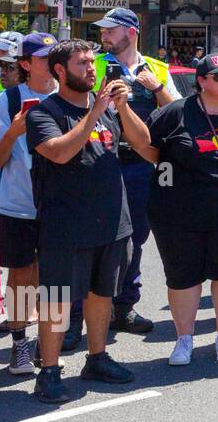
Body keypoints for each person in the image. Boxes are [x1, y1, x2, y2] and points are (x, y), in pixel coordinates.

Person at [132, 54, 218, 366]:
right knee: (183, 277)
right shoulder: (176, 111)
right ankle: (185, 339)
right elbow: (145, 144)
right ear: (201, 81)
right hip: (177, 214)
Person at [26, 40, 146, 402]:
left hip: (111, 222)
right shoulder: (43, 113)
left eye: (93, 62)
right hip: (65, 225)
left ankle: (97, 358)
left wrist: (122, 109)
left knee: (101, 294)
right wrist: (94, 113)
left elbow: (144, 143)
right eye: (82, 64)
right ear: (59, 71)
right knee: (57, 300)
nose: (92, 69)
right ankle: (48, 372)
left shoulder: (109, 109)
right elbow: (60, 153)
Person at [79, 7, 178, 348]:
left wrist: (158, 87)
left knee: (134, 238)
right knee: (93, 235)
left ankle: (124, 306)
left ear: (131, 31)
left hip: (140, 165)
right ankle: (82, 309)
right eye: (102, 31)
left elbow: (176, 114)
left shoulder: (158, 68)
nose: (104, 36)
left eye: (110, 30)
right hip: (101, 161)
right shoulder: (95, 65)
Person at [0, 33, 58, 374]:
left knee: (56, 276)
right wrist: (14, 132)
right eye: (45, 57)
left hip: (61, 205)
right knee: (22, 274)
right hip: (17, 205)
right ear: (27, 65)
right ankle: (20, 344)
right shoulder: (8, 99)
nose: (52, 61)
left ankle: (49, 345)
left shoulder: (70, 95)